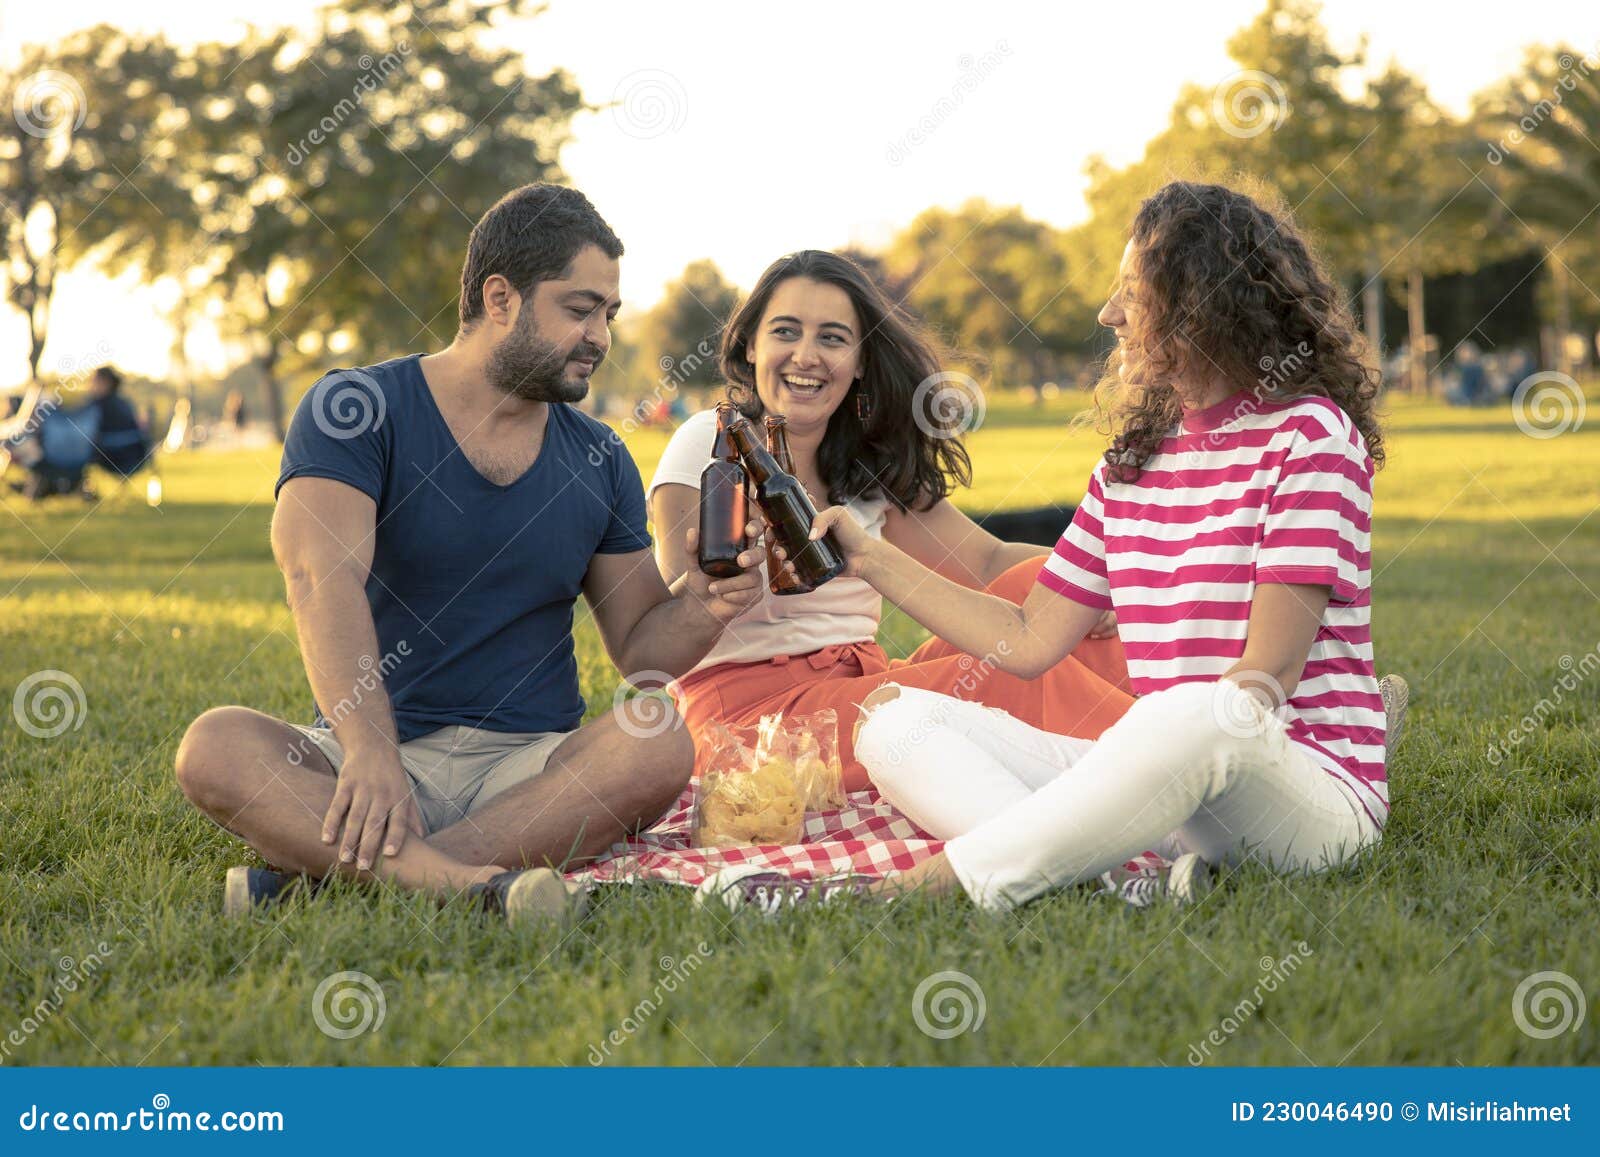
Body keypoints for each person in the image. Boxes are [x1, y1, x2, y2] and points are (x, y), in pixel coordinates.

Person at [703, 182, 1391, 913]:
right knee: (895, 721)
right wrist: (870, 555)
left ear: (1201, 305)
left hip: (1303, 795)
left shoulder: (1309, 435)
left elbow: (1266, 677)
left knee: (1202, 711)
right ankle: (1115, 877)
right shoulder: (1133, 462)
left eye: (1134, 292)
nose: (1109, 314)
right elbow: (1027, 638)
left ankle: (887, 896)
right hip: (1169, 789)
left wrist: (1143, 762)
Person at [174, 184, 766, 925]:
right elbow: (318, 579)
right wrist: (370, 751)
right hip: (367, 745)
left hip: (528, 770)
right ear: (500, 298)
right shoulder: (355, 409)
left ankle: (351, 880)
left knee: (660, 738)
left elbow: (642, 646)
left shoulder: (601, 456)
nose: (601, 336)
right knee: (215, 746)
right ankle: (471, 889)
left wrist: (707, 607)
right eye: (579, 309)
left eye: (608, 315)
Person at [649, 250, 1134, 793]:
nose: (805, 356)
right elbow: (676, 612)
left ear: (860, 360)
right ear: (751, 345)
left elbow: (987, 560)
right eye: (785, 332)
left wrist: (1110, 585)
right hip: (756, 726)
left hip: (863, 689)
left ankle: (1173, 727)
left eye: (832, 338)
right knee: (1006, 675)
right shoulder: (713, 450)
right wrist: (723, 578)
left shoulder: (863, 462)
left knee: (1046, 590)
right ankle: (1157, 771)